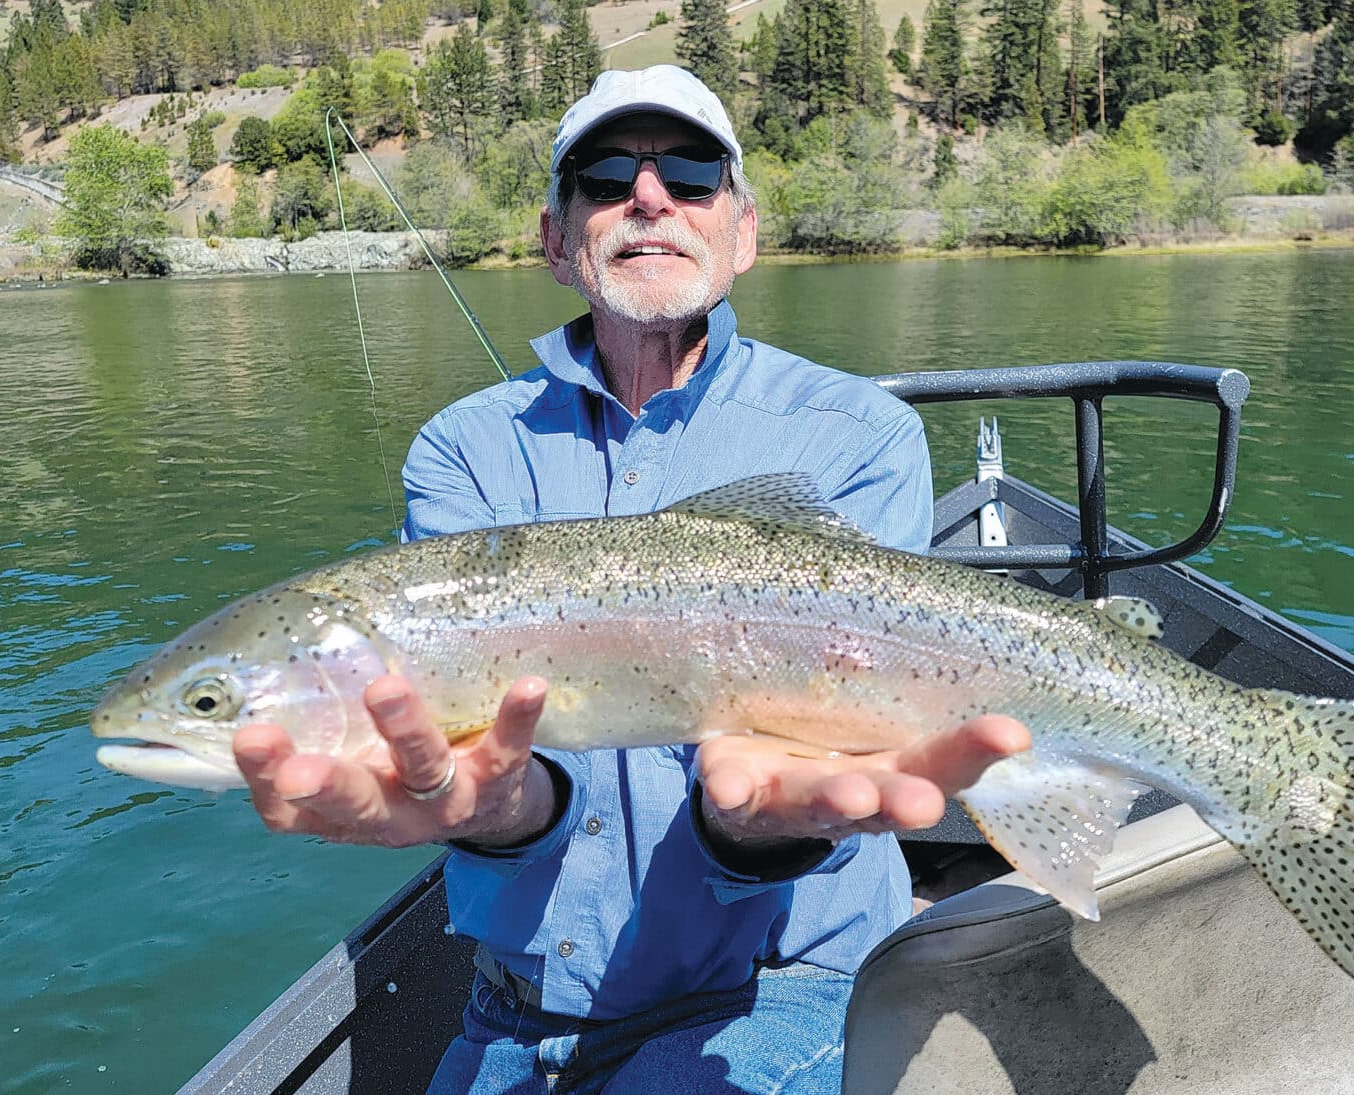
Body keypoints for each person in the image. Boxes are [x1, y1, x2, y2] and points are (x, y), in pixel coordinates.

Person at [232, 66, 1030, 1094]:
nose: (649, 196)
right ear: (555, 240)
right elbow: (492, 754)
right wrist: (494, 802)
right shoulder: (463, 453)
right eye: (607, 178)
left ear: (743, 232)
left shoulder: (858, 435)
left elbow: (842, 733)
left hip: (786, 985)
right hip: (515, 1004)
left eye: (690, 175)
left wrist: (752, 827)